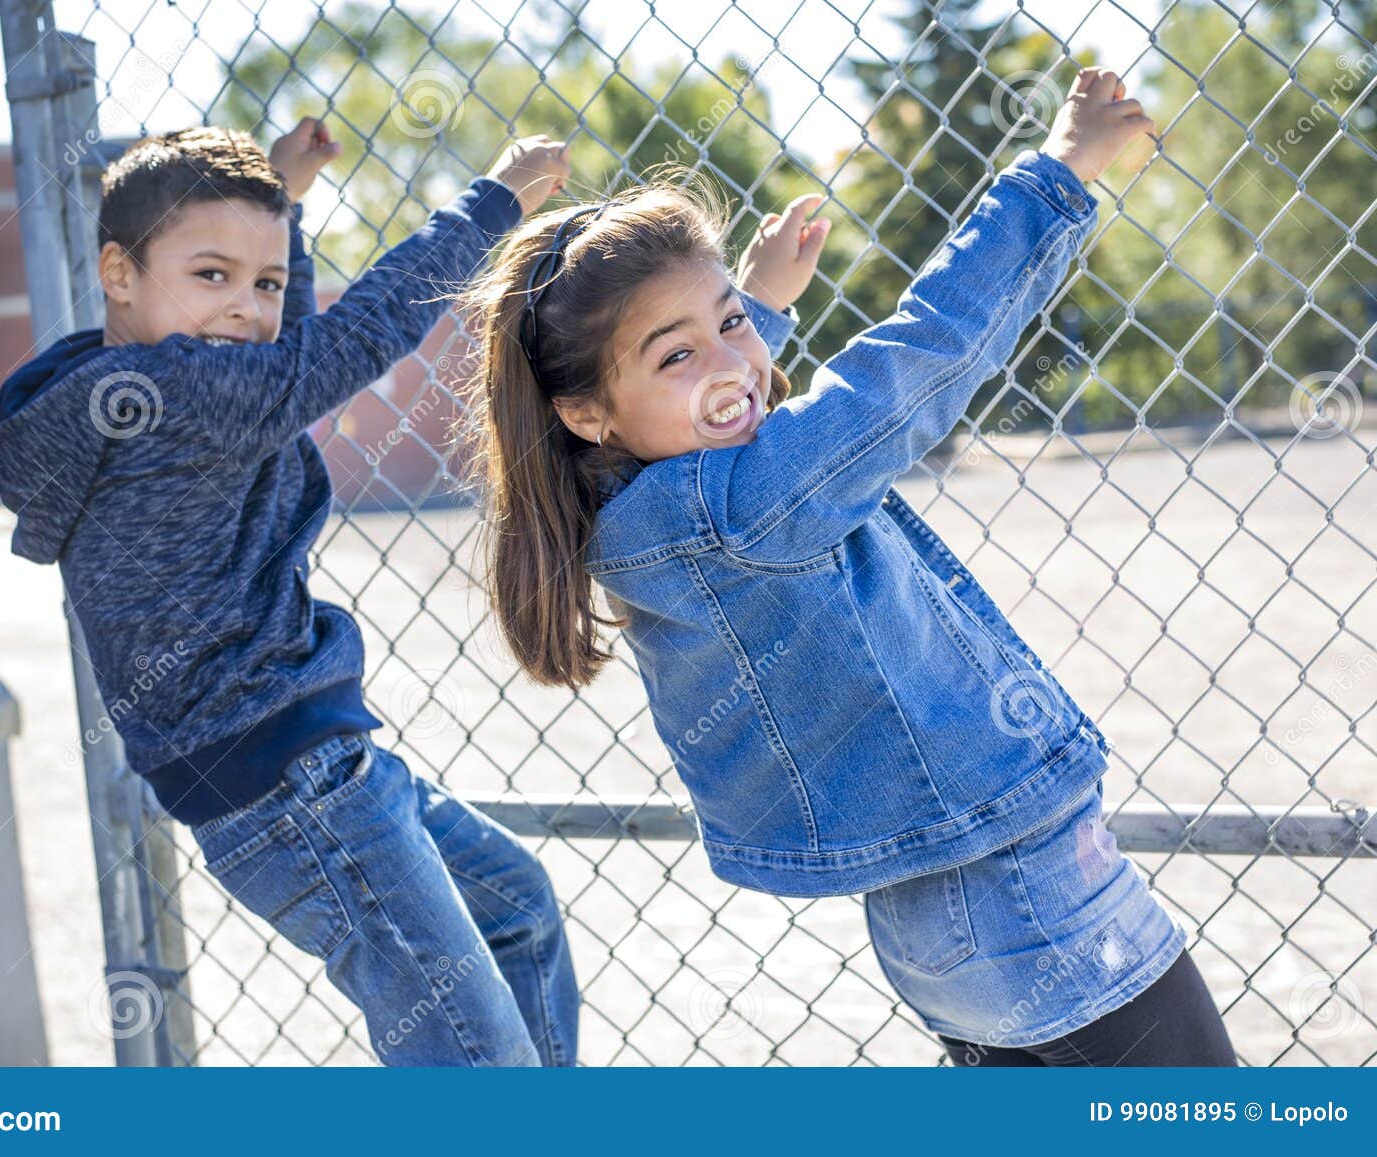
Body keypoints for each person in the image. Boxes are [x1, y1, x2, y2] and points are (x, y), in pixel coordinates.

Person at [460, 68, 1234, 1065]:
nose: (732, 363)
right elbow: (916, 361)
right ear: (585, 412)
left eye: (728, 321)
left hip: (941, 922)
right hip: (1022, 887)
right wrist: (1060, 168)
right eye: (674, 354)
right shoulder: (751, 503)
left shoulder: (636, 515)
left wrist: (761, 308)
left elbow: (716, 429)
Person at [0, 119, 581, 1066]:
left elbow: (281, 367)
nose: (246, 307)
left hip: (310, 764)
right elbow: (341, 347)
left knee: (517, 909)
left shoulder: (110, 379)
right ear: (118, 271)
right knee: (479, 1062)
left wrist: (279, 203)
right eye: (212, 275)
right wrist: (491, 202)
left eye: (267, 282)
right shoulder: (176, 391)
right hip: (290, 784)